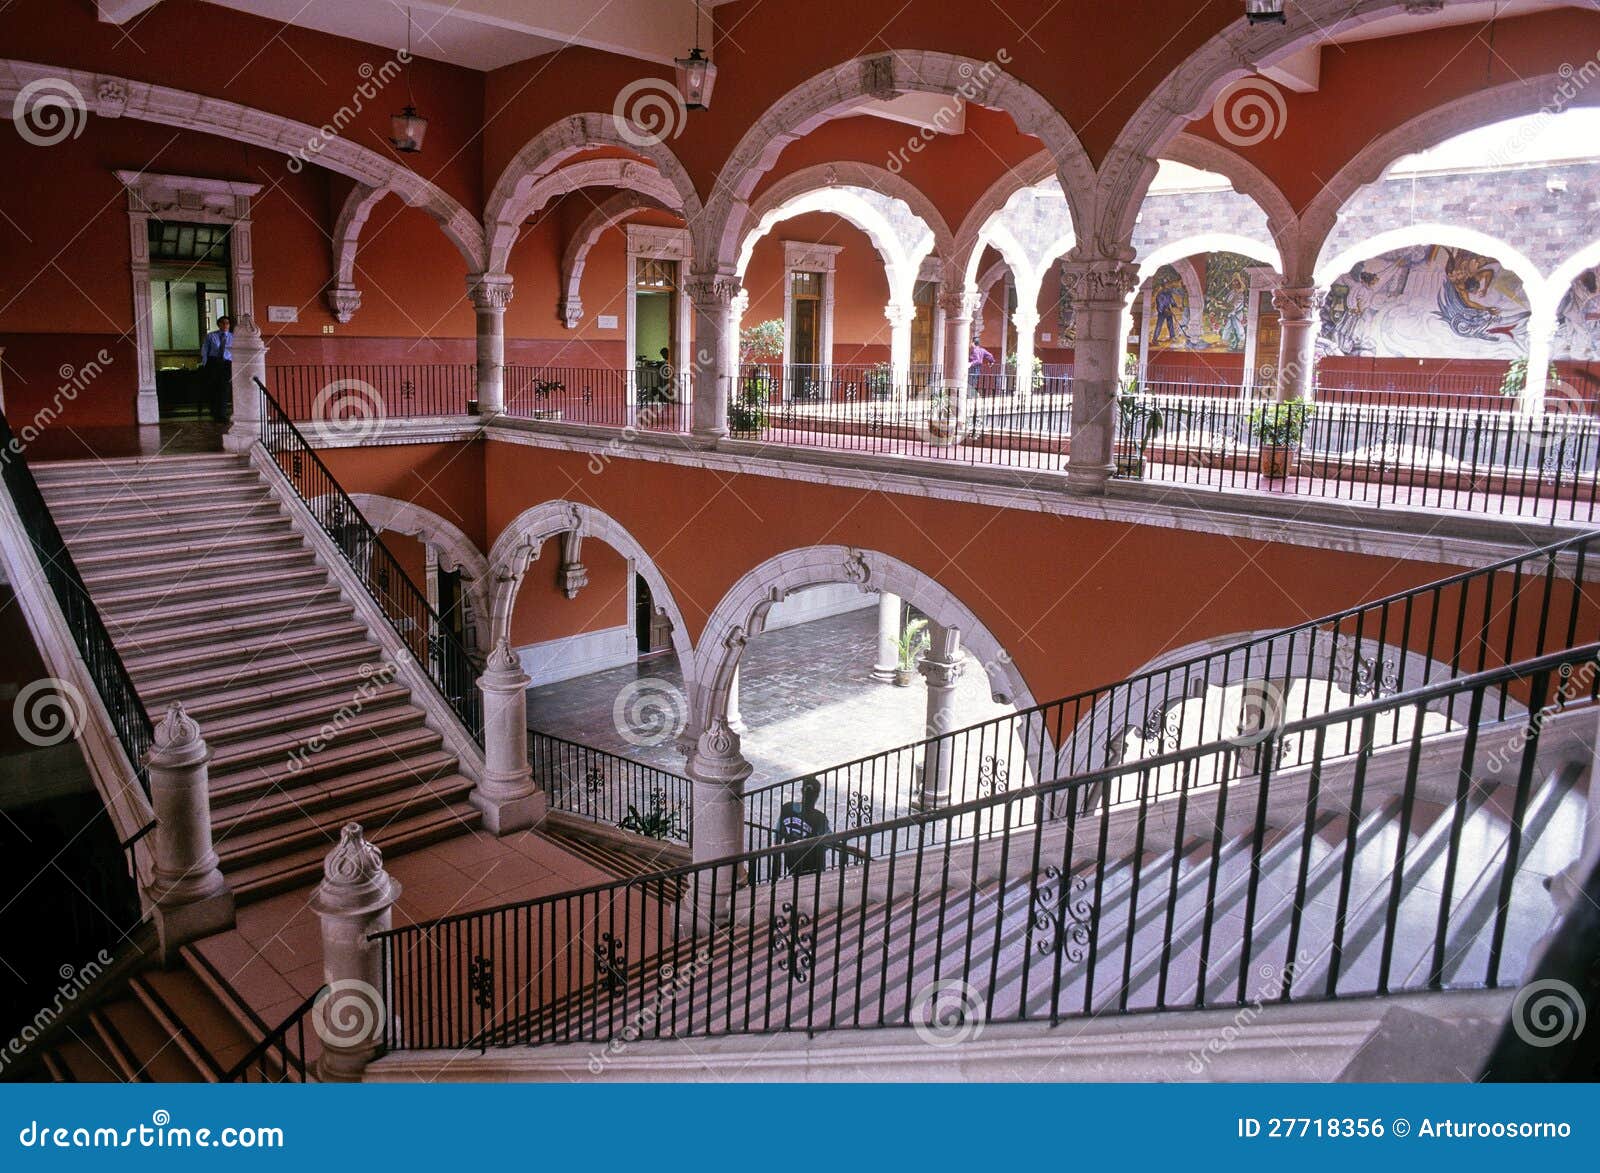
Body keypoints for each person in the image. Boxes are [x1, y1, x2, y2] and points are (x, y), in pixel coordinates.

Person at [776, 776, 831, 876]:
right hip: (812, 864)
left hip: (791, 859)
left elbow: (778, 834)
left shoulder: (787, 808)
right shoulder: (819, 818)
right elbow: (828, 841)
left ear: (802, 791)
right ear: (817, 795)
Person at [199, 314, 234, 422]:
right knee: (214, 388)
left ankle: (222, 414)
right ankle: (214, 412)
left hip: (227, 364)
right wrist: (205, 364)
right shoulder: (211, 336)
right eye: (223, 323)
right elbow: (205, 350)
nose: (225, 325)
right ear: (219, 324)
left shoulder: (233, 337)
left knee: (224, 389)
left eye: (227, 323)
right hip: (213, 363)